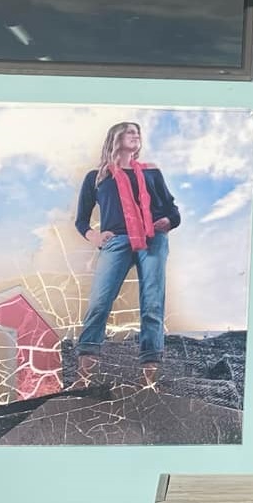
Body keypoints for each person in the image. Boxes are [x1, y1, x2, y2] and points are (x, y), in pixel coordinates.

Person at [73, 120, 181, 389]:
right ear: (115, 137)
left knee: (153, 304)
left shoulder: (152, 173)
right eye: (130, 132)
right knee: (99, 303)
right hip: (116, 240)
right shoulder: (97, 177)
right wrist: (96, 237)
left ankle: (149, 383)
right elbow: (81, 221)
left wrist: (168, 222)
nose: (136, 136)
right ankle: (84, 378)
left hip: (153, 239)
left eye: (138, 133)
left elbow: (172, 210)